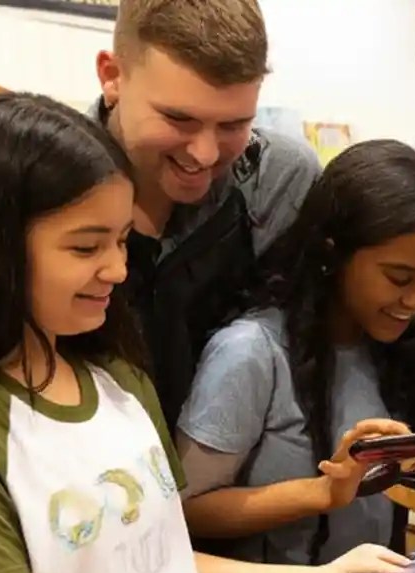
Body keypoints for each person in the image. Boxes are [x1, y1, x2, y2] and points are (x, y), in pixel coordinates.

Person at [0, 93, 407, 573]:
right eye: (86, 248)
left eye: (121, 241)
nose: (117, 270)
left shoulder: (114, 377)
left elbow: (163, 570)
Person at [176, 139, 415, 566]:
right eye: (399, 278)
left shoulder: (388, 348)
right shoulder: (251, 352)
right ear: (332, 251)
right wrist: (322, 492)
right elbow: (188, 512)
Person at [94, 0, 321, 428]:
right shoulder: (43, 182)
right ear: (112, 76)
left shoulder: (281, 180)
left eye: (234, 125)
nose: (205, 153)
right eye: (178, 119)